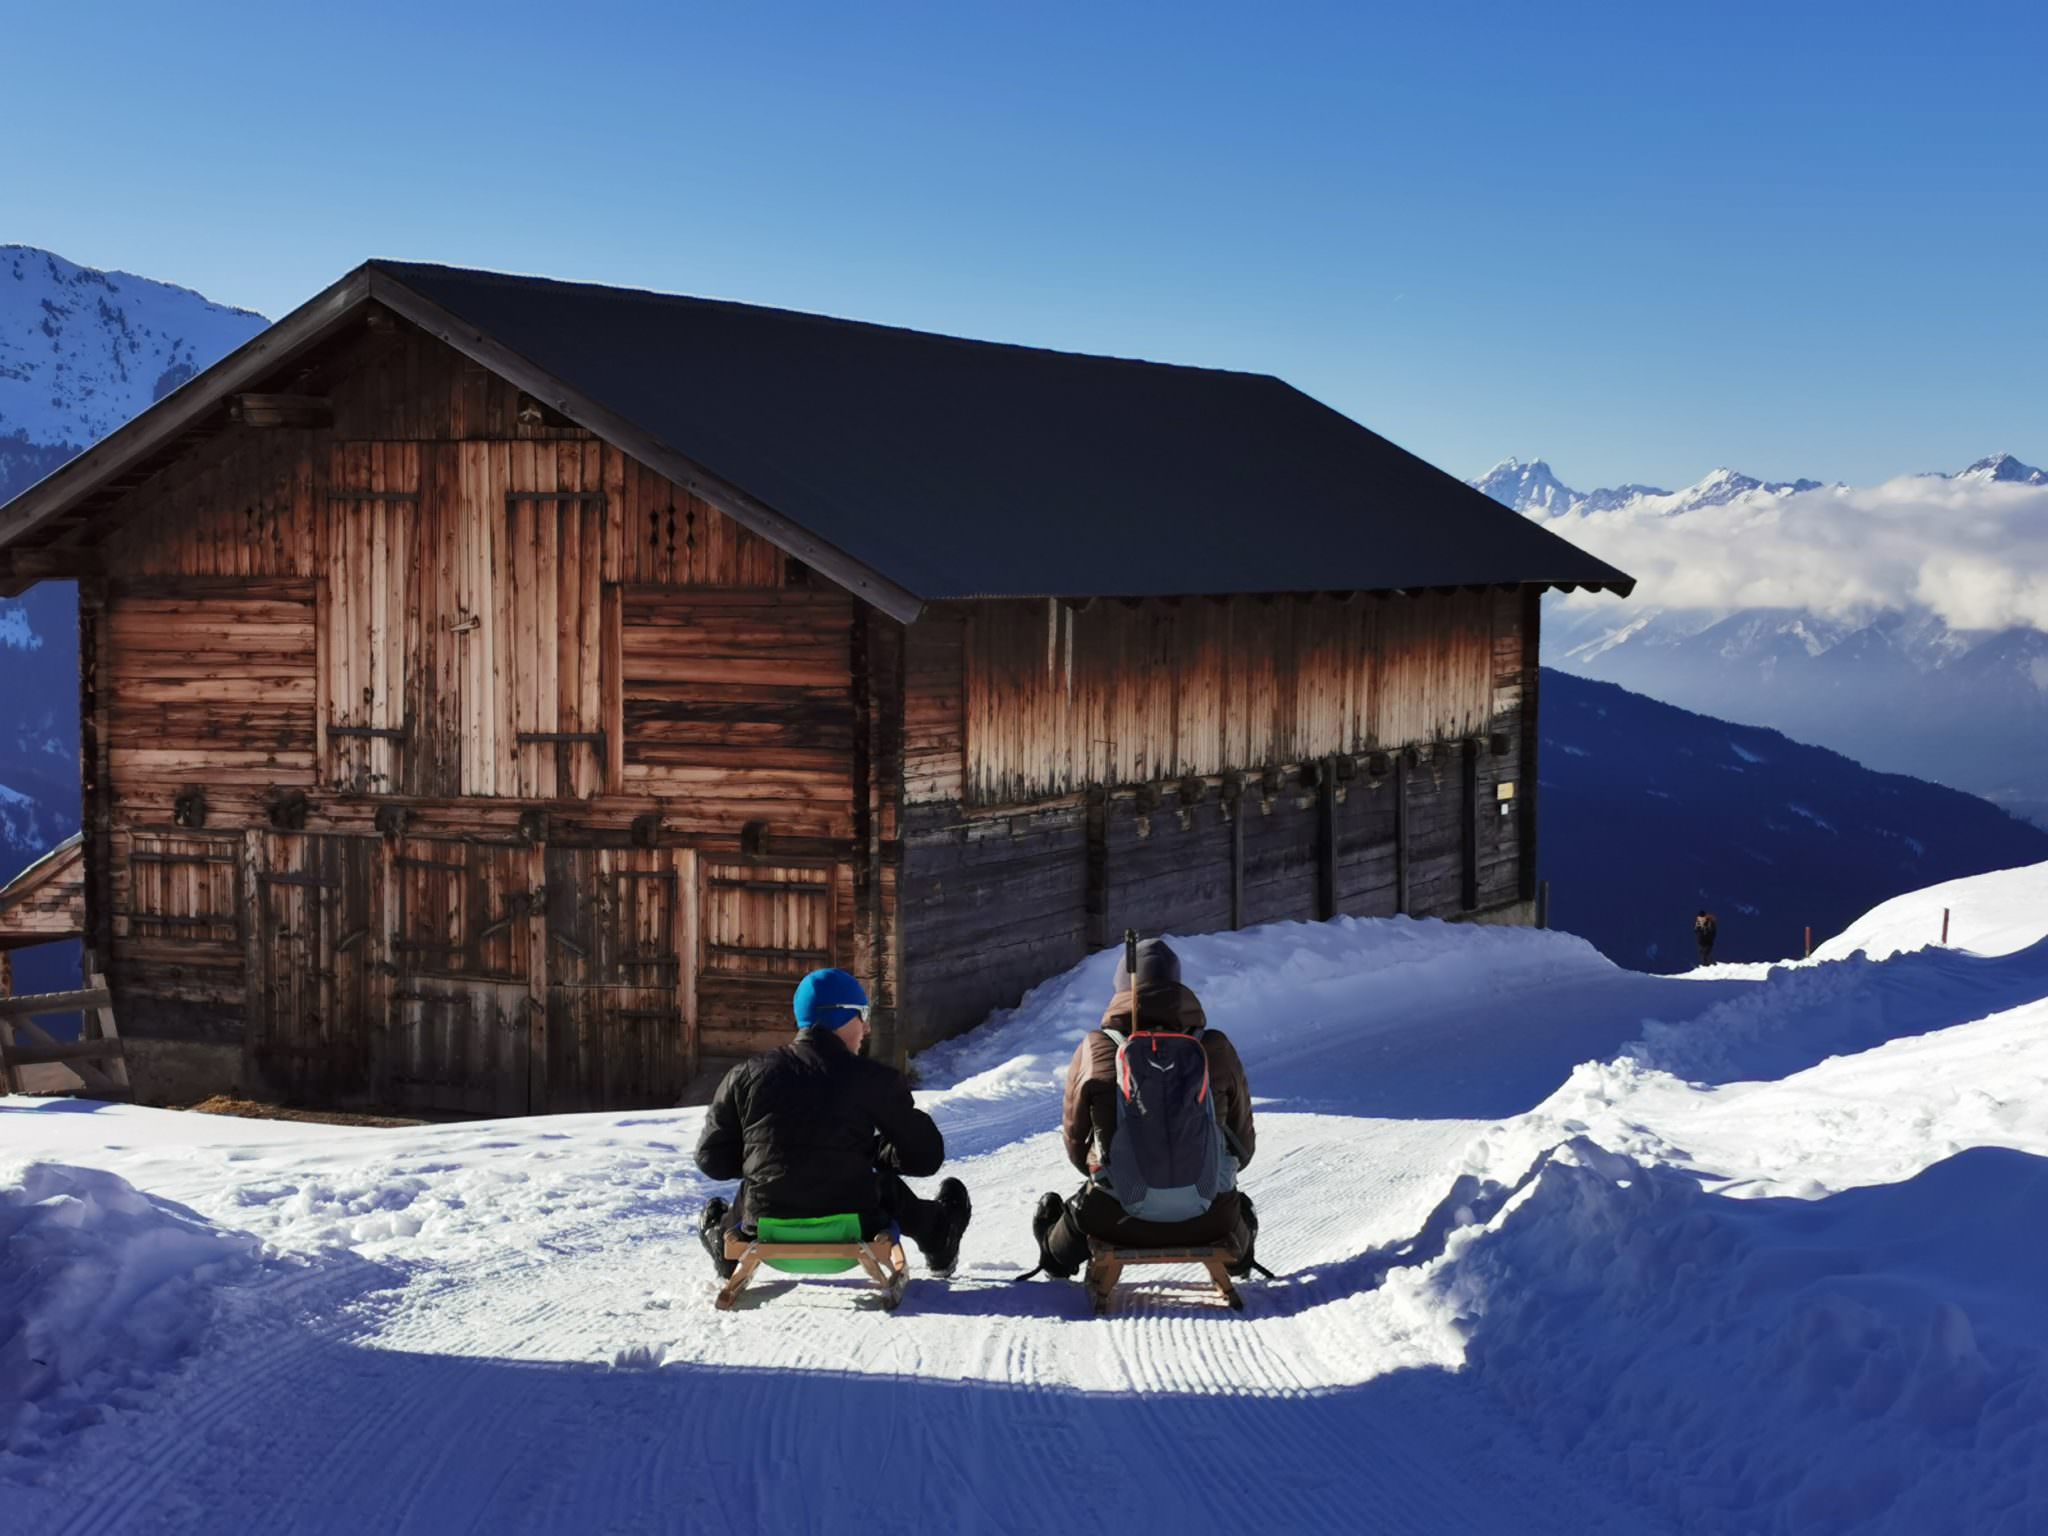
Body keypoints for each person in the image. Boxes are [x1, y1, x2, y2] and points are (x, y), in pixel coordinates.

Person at [695, 968, 971, 1278]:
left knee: (757, 1185)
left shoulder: (745, 1076)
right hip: (853, 1228)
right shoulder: (872, 1079)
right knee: (883, 1187)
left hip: (765, 1228)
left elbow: (712, 1159)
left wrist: (770, 1159)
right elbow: (925, 1156)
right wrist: (876, 1154)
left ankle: (724, 1247)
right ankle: (939, 1235)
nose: (866, 1028)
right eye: (862, 1014)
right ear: (839, 1017)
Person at [1022, 937, 1260, 1281]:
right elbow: (1243, 1147)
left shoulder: (1097, 1047)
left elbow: (1076, 1147)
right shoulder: (1215, 1047)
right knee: (1231, 1203)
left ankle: (1056, 1257)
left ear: (1122, 988)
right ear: (1178, 986)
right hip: (1208, 1214)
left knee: (1082, 1210)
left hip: (1116, 1218)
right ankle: (1238, 1252)